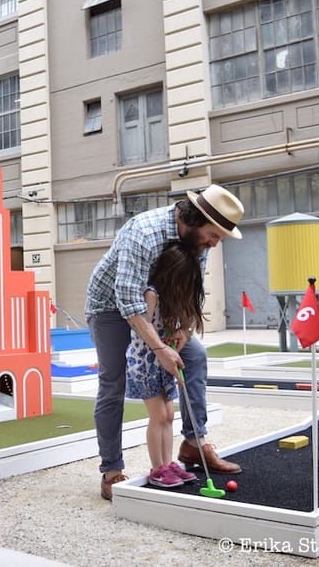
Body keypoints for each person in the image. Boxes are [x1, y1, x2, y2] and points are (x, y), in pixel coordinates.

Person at [86, 184, 245, 501]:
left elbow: (189, 288)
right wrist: (160, 349)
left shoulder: (200, 244)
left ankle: (193, 444)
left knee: (195, 355)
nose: (214, 244)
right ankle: (112, 471)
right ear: (197, 220)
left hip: (157, 309)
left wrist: (182, 328)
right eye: (214, 236)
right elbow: (128, 301)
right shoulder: (143, 231)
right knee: (113, 381)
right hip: (110, 308)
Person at [126, 241, 203, 488]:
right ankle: (157, 468)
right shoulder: (152, 294)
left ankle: (169, 464)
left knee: (170, 414)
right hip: (145, 362)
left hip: (162, 362)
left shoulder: (169, 299)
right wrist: (162, 345)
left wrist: (174, 335)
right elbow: (142, 330)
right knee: (158, 415)